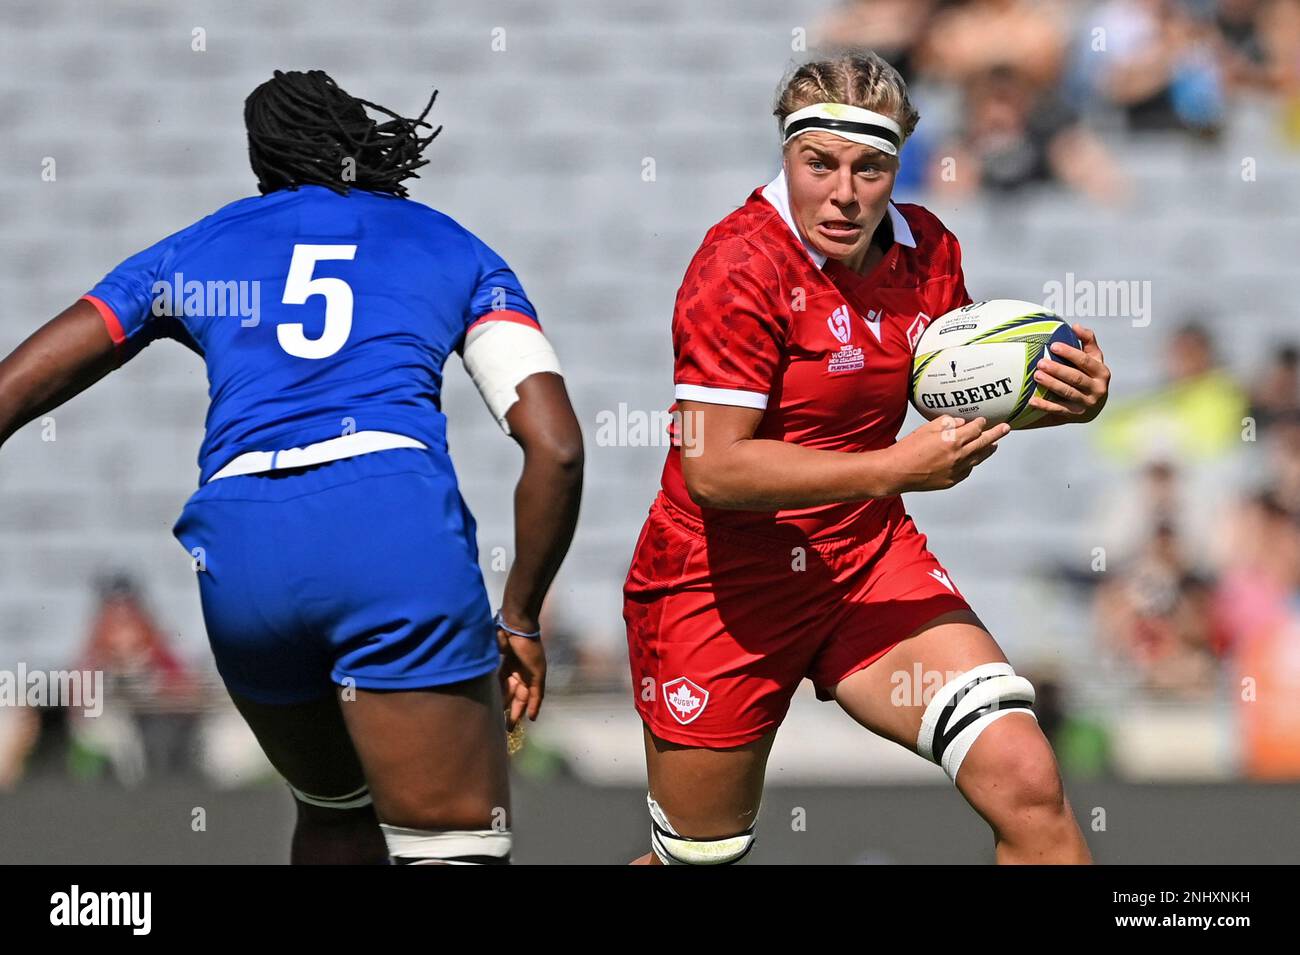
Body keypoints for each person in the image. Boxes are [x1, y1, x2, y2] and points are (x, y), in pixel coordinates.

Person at [0, 70, 583, 864]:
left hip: (244, 554)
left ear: (263, 164)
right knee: (453, 849)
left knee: (335, 813)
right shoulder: (450, 244)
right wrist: (520, 614)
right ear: (365, 143)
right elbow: (556, 446)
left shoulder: (197, 246)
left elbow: (19, 387)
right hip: (389, 533)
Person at [623, 51, 1111, 865]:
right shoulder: (737, 268)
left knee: (1025, 780)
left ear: (901, 163)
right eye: (821, 163)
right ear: (787, 154)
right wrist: (890, 470)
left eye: (872, 167)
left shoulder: (929, 250)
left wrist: (1059, 398)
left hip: (864, 563)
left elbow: (945, 395)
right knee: (699, 862)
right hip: (720, 585)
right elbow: (714, 470)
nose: (844, 192)